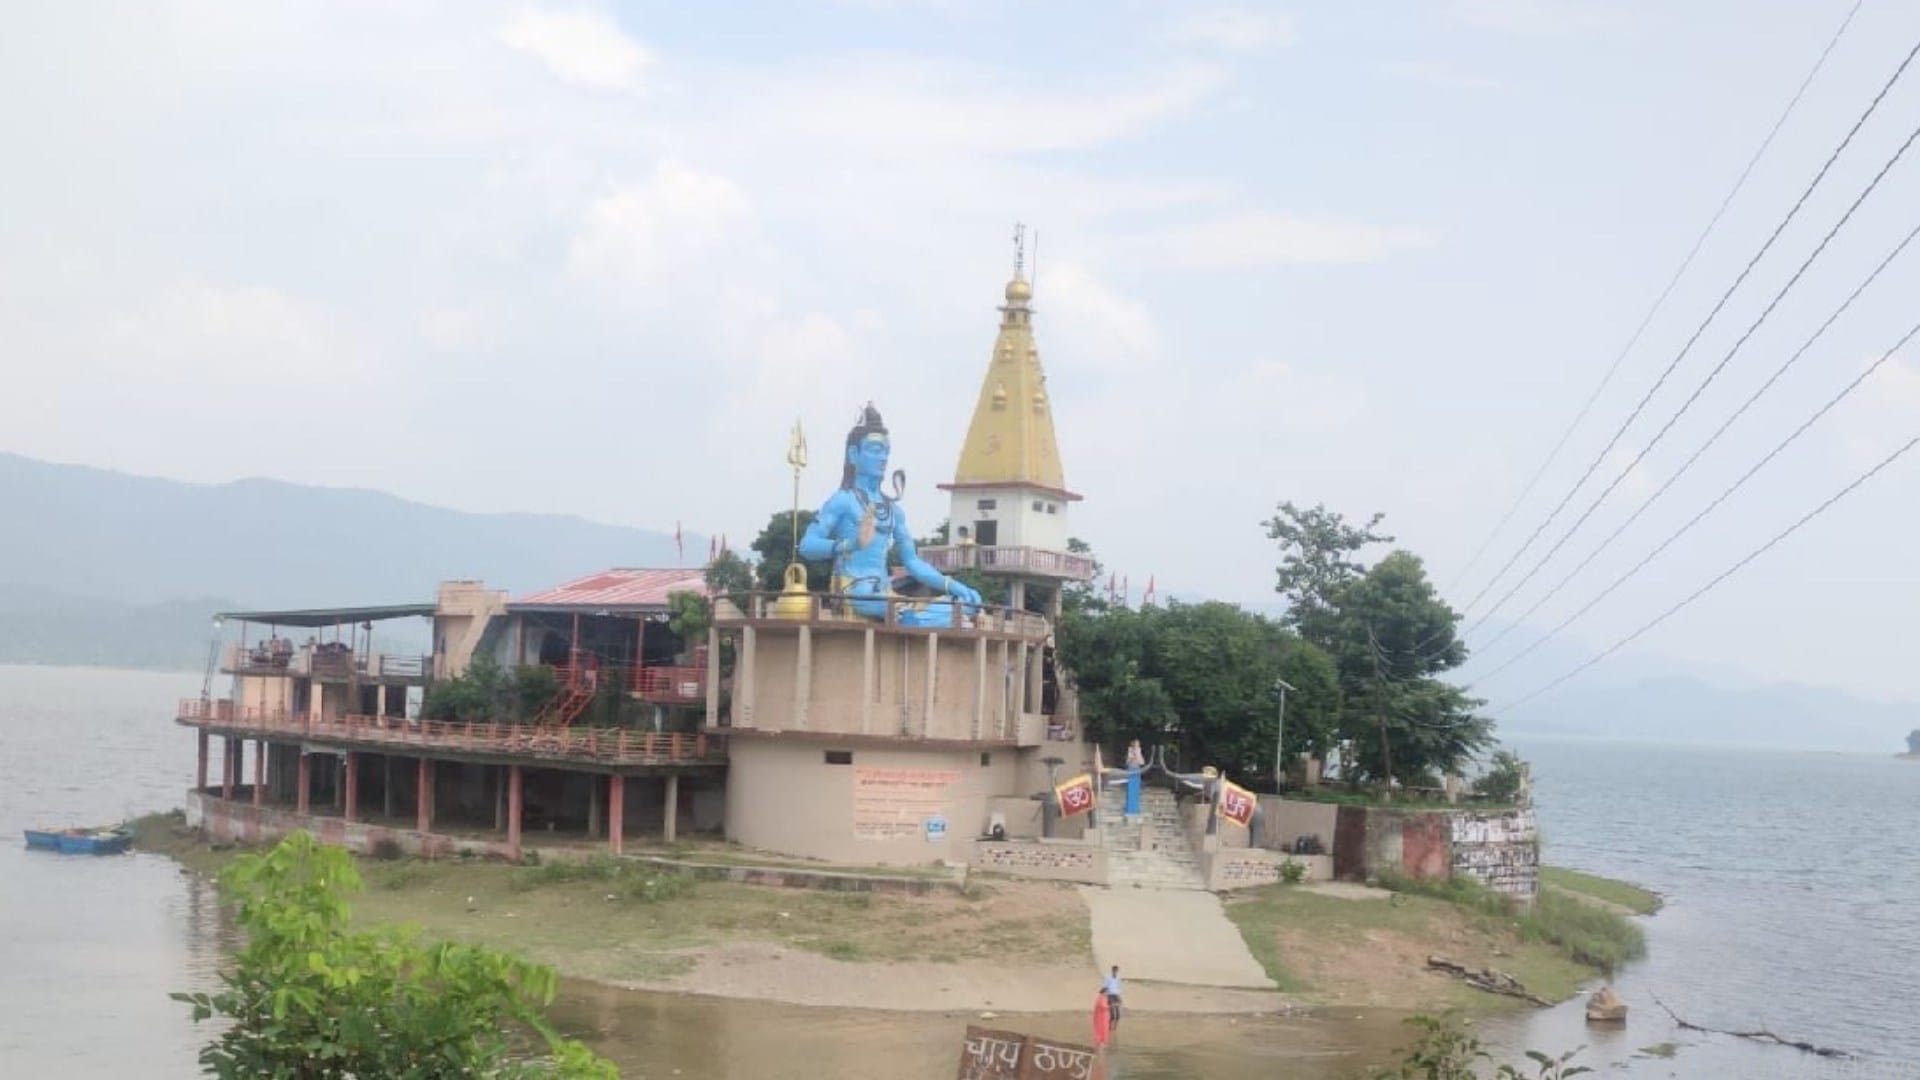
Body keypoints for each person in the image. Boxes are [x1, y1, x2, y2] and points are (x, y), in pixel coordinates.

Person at [798, 403, 983, 626]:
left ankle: (922, 619)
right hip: (856, 590)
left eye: (886, 451)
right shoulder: (843, 500)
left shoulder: (893, 510)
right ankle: (924, 620)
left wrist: (955, 586)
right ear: (854, 454)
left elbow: (912, 562)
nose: (883, 458)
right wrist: (850, 545)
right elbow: (808, 545)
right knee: (890, 606)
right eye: (875, 450)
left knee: (967, 603)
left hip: (886, 592)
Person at [1101, 965, 1123, 1031]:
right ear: (1112, 970)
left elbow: (1119, 988)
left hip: (1116, 996)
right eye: (1114, 970)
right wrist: (1103, 995)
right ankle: (1109, 1028)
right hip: (1110, 996)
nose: (1115, 972)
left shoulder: (1118, 978)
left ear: (1117, 971)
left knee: (1118, 1015)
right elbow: (1104, 987)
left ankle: (1115, 1029)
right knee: (1112, 1015)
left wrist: (1120, 998)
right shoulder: (1107, 977)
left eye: (1116, 971)